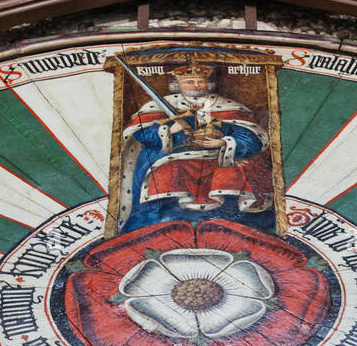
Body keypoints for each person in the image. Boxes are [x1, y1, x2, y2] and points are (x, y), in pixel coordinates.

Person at [116, 63, 273, 233]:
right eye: (190, 81)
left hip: (219, 156)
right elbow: (141, 133)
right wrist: (167, 131)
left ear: (209, 84)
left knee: (240, 171)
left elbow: (251, 136)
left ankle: (232, 226)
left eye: (200, 81)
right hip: (172, 156)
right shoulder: (162, 105)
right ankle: (163, 226)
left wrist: (224, 143)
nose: (196, 85)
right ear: (177, 85)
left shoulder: (227, 106)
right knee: (166, 173)